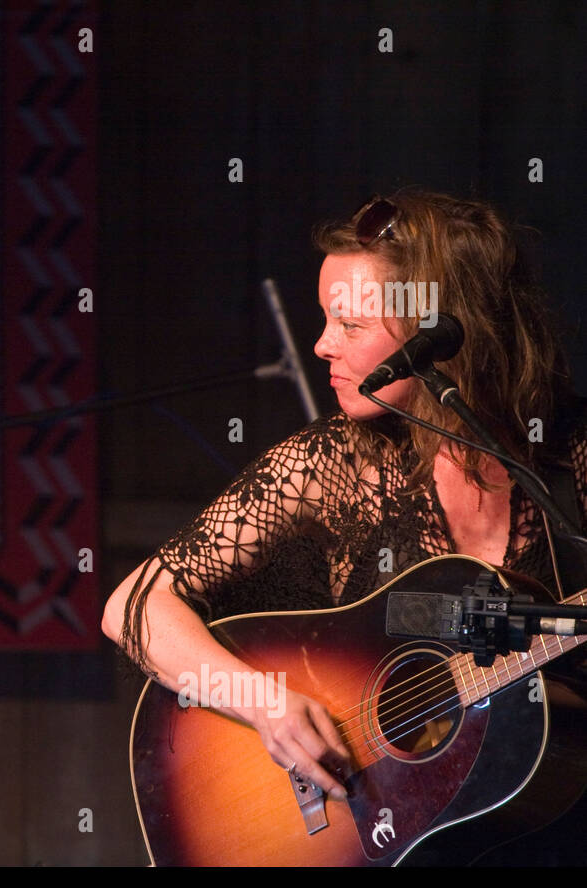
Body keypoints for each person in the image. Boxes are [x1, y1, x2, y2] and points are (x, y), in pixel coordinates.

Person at [102, 189, 587, 849]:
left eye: (351, 325)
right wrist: (267, 705)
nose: (322, 346)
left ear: (444, 332)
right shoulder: (331, 464)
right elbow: (134, 606)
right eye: (326, 319)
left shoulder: (571, 453)